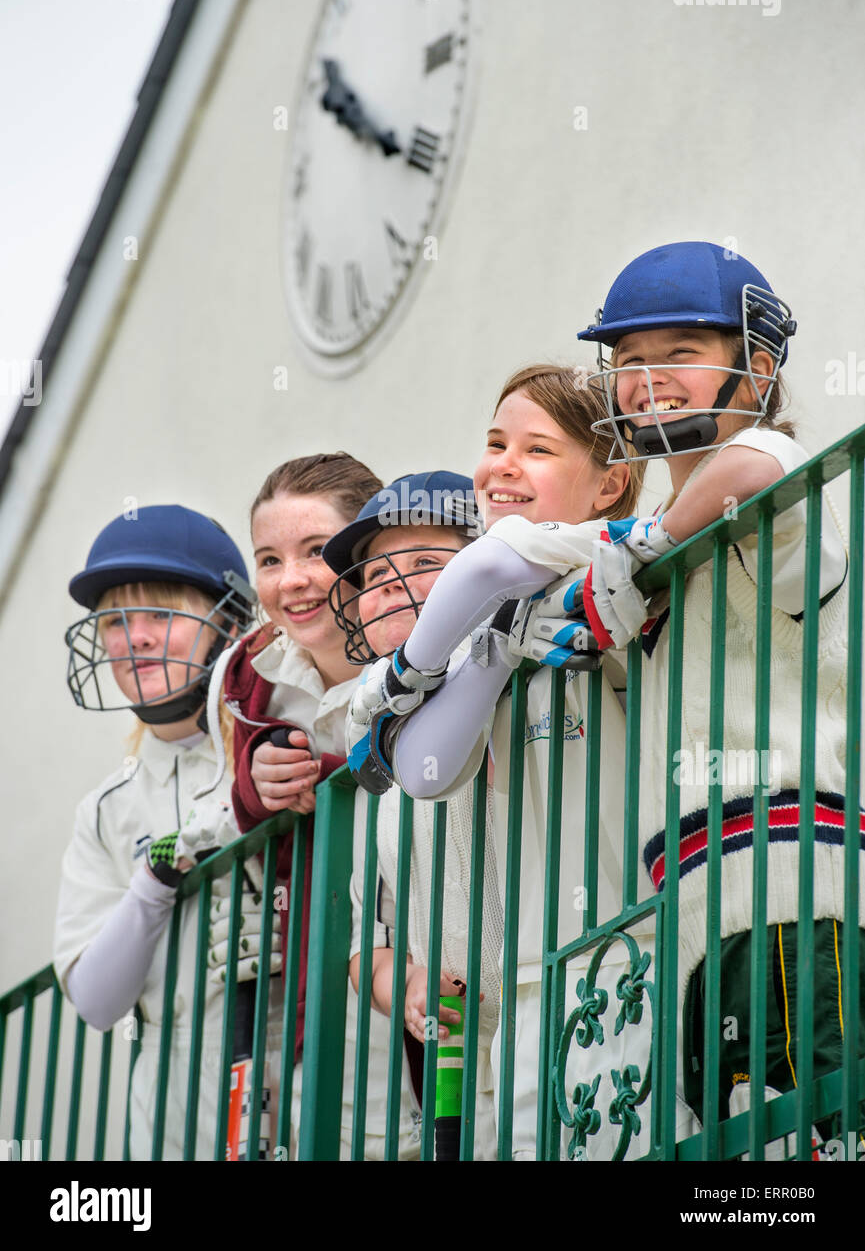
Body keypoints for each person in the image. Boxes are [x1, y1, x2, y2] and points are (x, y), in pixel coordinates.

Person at [562, 240, 857, 1147]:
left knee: (812, 1145)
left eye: (682, 352)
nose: (649, 380)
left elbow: (753, 465)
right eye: (629, 362)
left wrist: (635, 539)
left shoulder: (775, 482)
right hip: (693, 904)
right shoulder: (654, 559)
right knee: (734, 1162)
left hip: (784, 878)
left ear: (757, 366)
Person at [347, 367, 658, 1160]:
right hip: (511, 1003)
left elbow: (497, 562)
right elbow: (422, 771)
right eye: (493, 444)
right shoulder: (476, 628)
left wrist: (416, 671)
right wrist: (489, 646)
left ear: (609, 483)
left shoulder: (628, 559)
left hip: (624, 960)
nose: (502, 465)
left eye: (537, 448)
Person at [210, 452, 421, 1159]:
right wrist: (254, 788)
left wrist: (333, 773)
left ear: (361, 553)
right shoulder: (250, 682)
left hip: (443, 949)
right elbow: (239, 827)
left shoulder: (429, 638)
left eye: (313, 551)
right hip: (328, 980)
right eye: (268, 559)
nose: (289, 580)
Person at [54, 503, 280, 1161]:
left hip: (315, 1065)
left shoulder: (285, 743)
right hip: (172, 1106)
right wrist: (154, 882)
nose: (135, 639)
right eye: (115, 622)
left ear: (230, 622)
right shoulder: (106, 809)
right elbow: (97, 1001)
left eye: (160, 613)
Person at [323, 471, 502, 1159]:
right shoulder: (365, 740)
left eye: (425, 562)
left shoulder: (528, 671)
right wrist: (406, 983)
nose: (393, 582)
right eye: (373, 572)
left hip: (571, 1007)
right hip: (456, 1054)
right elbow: (366, 938)